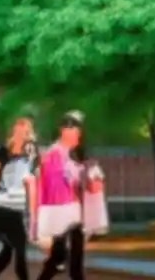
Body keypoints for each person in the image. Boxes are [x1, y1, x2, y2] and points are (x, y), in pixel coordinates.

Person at [0, 117, 39, 280]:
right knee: (16, 249)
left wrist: (33, 216)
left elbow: (31, 186)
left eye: (25, 133)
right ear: (13, 133)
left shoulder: (31, 157)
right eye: (18, 132)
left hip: (17, 210)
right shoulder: (0, 155)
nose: (21, 137)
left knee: (10, 251)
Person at [35, 111, 91, 280]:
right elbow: (52, 184)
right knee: (60, 254)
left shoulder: (74, 153)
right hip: (60, 208)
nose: (76, 133)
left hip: (73, 208)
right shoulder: (54, 153)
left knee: (75, 251)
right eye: (71, 128)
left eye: (76, 129)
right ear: (62, 131)